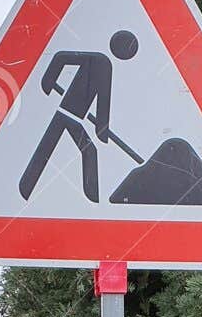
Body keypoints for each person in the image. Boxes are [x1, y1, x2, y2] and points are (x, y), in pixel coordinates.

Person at [19, 31, 139, 202]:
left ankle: (27, 188)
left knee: (62, 148)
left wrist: (101, 130)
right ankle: (26, 189)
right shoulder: (101, 62)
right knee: (80, 149)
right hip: (67, 114)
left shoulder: (104, 64)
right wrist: (48, 81)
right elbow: (61, 58)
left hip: (73, 118)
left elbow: (102, 102)